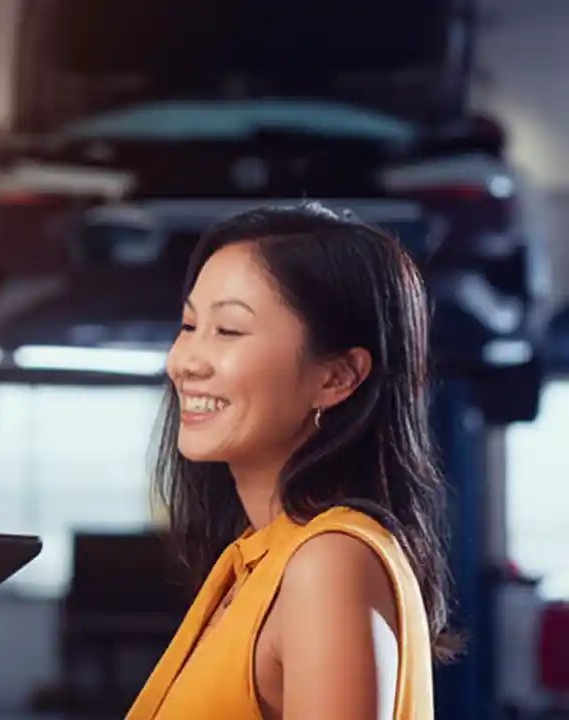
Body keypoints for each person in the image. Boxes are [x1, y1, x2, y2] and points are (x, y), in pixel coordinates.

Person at [125, 203, 453, 719]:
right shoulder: (253, 561)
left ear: (337, 378)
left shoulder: (330, 562)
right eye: (189, 325)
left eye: (228, 331)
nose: (185, 361)